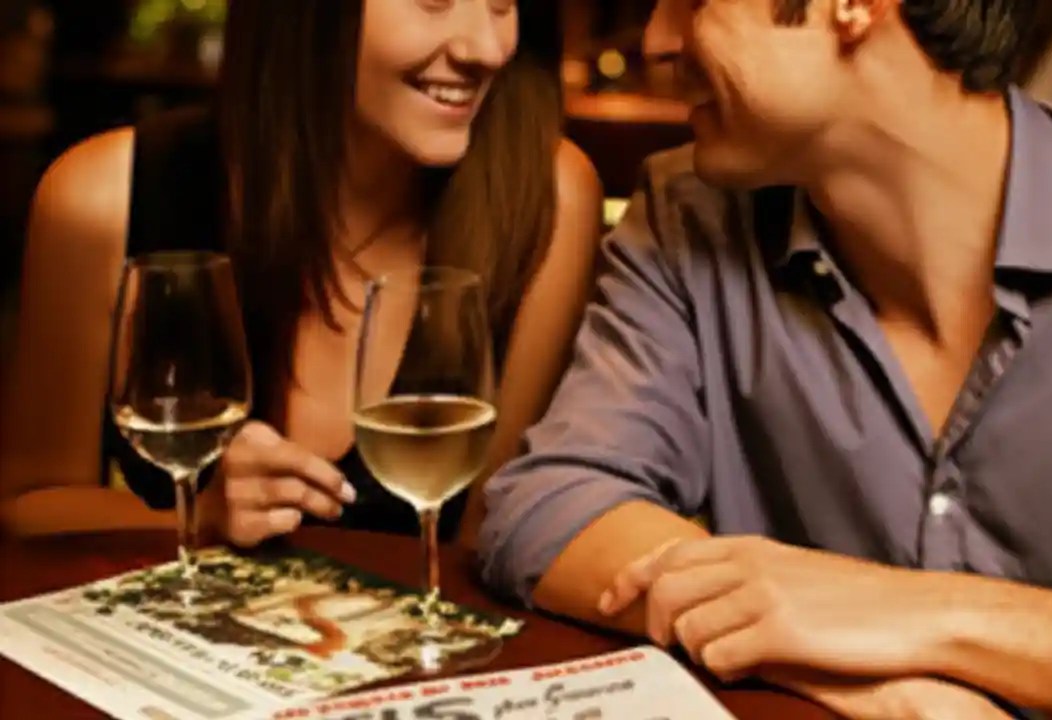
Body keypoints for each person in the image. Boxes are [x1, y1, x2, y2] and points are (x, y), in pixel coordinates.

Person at [477, 0, 1052, 717]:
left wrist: (914, 615)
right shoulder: (688, 221)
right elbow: (550, 506)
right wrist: (850, 669)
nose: (657, 41)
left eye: (690, 2)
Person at [0, 0, 604, 549]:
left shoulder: (544, 199)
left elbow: (488, 550)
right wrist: (201, 517)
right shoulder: (103, 198)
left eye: (502, 2)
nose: (485, 48)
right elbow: (27, 513)